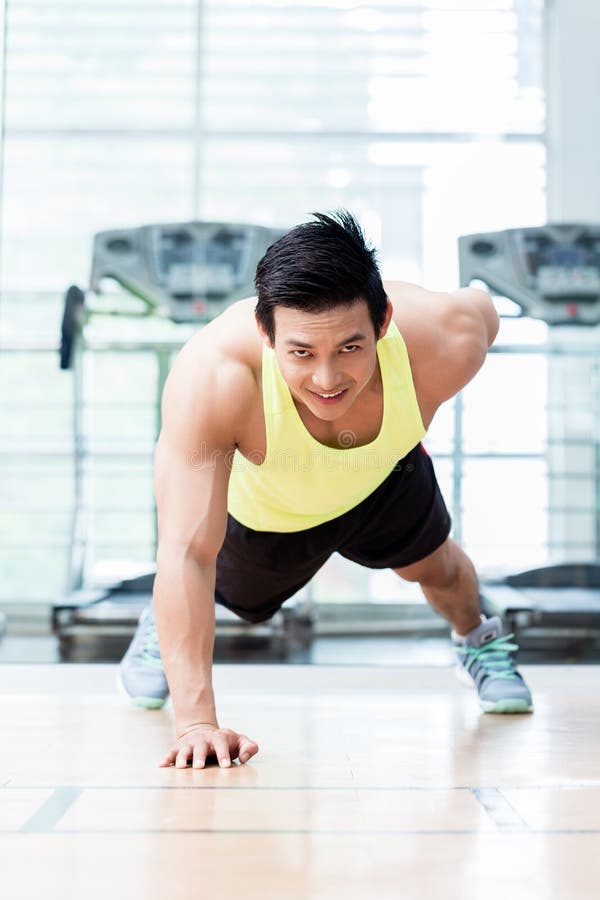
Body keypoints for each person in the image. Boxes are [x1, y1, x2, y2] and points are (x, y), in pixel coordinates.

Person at [119, 210, 533, 770]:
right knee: (218, 591)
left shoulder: (446, 339)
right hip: (270, 510)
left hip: (384, 473)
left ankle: (480, 641)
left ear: (383, 319)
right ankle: (160, 630)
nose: (327, 379)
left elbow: (482, 308)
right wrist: (197, 723)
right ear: (266, 333)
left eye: (349, 348)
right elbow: (187, 552)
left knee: (444, 573)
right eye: (301, 353)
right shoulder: (213, 378)